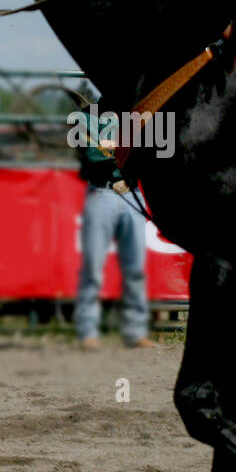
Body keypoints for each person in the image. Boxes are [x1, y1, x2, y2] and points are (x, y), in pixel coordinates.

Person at [74, 137, 153, 350]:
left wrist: (113, 145)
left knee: (135, 267)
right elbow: (93, 154)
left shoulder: (136, 116)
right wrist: (128, 146)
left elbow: (150, 150)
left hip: (131, 193)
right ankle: (88, 331)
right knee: (93, 264)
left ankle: (135, 331)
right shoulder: (88, 116)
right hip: (102, 192)